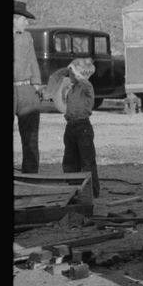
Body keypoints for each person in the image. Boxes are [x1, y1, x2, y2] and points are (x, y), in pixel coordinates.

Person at [62, 57, 101, 198]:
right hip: (71, 126)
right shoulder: (72, 89)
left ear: (79, 74)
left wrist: (79, 72)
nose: (69, 76)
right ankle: (74, 188)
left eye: (72, 73)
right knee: (70, 160)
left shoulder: (86, 86)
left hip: (83, 127)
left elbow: (84, 82)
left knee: (87, 161)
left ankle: (92, 190)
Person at [14, 0, 43, 173]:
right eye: (24, 19)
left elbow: (32, 60)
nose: (27, 23)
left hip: (27, 91)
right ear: (14, 19)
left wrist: (37, 85)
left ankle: (31, 176)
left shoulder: (27, 37)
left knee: (31, 138)